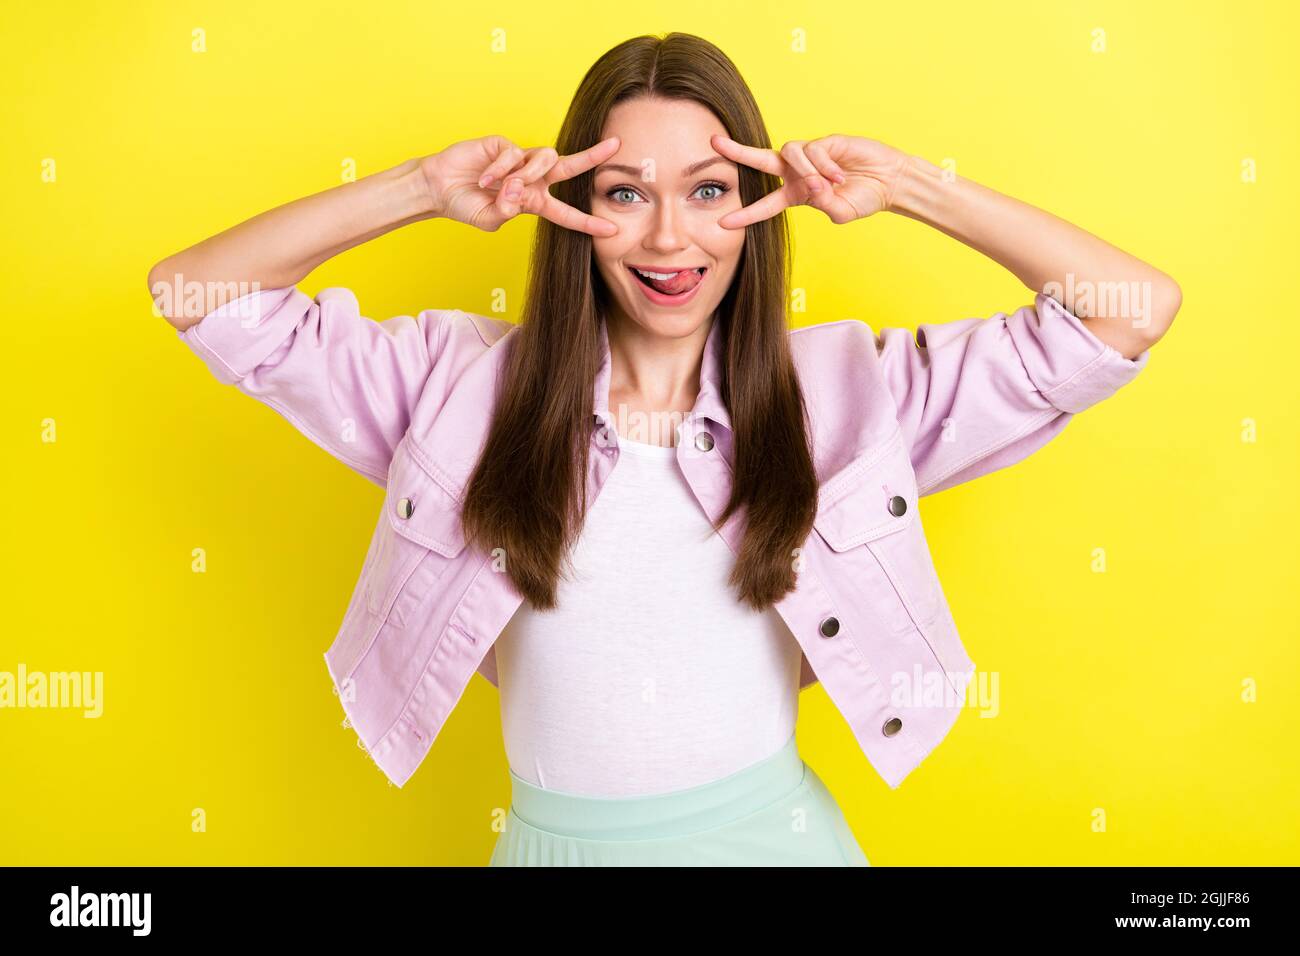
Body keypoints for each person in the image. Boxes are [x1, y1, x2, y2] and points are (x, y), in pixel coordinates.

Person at [149, 32, 1179, 866]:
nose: (667, 238)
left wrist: (913, 187)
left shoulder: (843, 395)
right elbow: (199, 295)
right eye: (626, 193)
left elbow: (1128, 314)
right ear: (573, 209)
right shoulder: (459, 390)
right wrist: (420, 189)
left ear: (755, 208)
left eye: (708, 190)